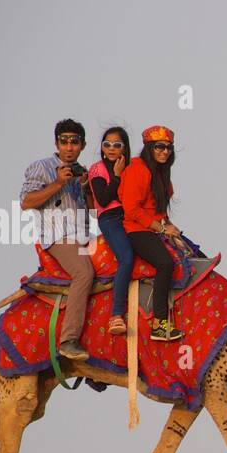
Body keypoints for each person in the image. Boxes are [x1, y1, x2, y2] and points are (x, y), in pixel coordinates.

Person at [20, 118, 94, 359]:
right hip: (58, 237)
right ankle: (68, 339)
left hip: (84, 237)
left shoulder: (83, 172)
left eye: (74, 142)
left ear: (82, 145)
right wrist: (58, 183)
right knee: (84, 273)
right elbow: (26, 202)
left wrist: (88, 187)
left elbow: (93, 209)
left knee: (120, 263)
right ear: (56, 143)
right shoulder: (42, 167)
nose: (69, 147)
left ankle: (100, 345)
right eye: (64, 142)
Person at [118, 124, 184, 342]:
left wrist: (171, 230)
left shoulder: (164, 177)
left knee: (193, 257)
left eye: (168, 148)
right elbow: (132, 210)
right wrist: (163, 229)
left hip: (155, 228)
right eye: (159, 147)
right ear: (149, 147)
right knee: (165, 263)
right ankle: (160, 324)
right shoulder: (138, 170)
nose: (164, 151)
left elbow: (161, 212)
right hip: (136, 229)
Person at [87, 127, 134, 335]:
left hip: (130, 217)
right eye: (107, 144)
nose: (111, 148)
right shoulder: (97, 169)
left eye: (117, 145)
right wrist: (116, 176)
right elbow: (104, 199)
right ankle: (116, 314)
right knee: (126, 258)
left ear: (125, 148)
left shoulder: (132, 168)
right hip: (110, 218)